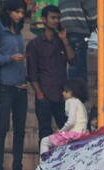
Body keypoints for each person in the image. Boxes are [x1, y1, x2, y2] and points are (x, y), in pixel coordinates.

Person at [0, 0, 29, 170]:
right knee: (2, 127)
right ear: (8, 12)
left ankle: (17, 169)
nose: (19, 16)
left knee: (20, 130)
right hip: (4, 86)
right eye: (16, 12)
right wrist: (9, 58)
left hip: (21, 86)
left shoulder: (18, 32)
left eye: (22, 13)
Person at [26, 5, 74, 142]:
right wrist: (39, 94)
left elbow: (73, 60)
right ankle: (45, 161)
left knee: (67, 132)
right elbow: (32, 72)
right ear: (43, 19)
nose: (56, 21)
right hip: (44, 95)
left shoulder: (62, 42)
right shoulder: (34, 44)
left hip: (61, 94)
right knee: (45, 132)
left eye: (58, 18)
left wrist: (65, 40)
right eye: (52, 18)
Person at [58, 0, 93, 82]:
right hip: (80, 30)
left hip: (65, 31)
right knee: (78, 68)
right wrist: (92, 28)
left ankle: (71, 90)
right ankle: (78, 92)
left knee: (72, 65)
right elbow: (92, 15)